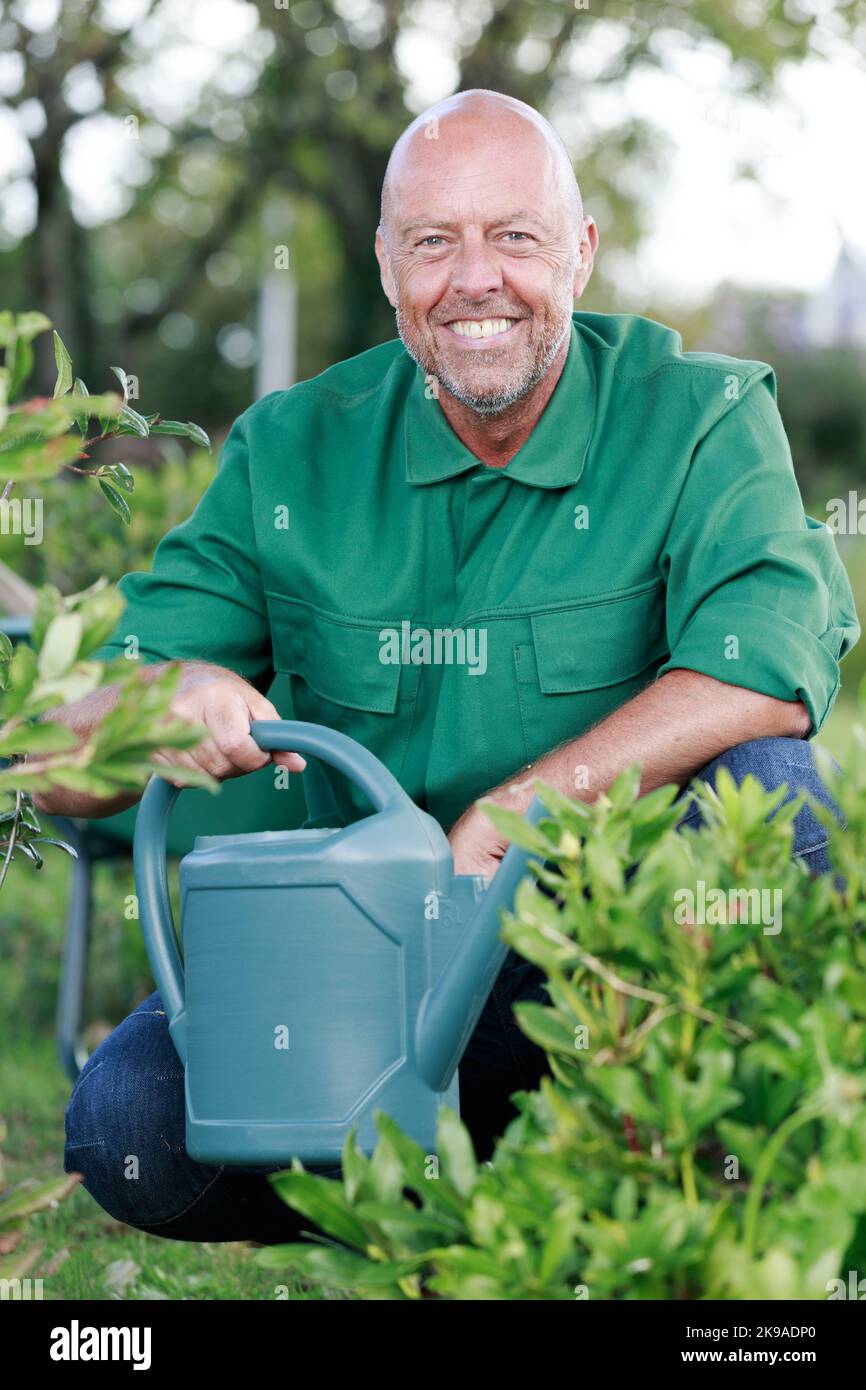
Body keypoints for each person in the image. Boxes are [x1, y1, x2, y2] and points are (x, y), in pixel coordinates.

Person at [36, 90, 859, 1243]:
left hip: (605, 959)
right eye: (434, 241)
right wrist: (149, 700)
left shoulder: (699, 414)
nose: (475, 277)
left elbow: (766, 670)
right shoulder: (290, 446)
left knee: (772, 798)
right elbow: (56, 761)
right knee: (126, 1120)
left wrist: (509, 816)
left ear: (578, 252)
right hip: (365, 975)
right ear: (386, 266)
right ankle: (445, 1213)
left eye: (513, 236)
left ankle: (689, 1187)